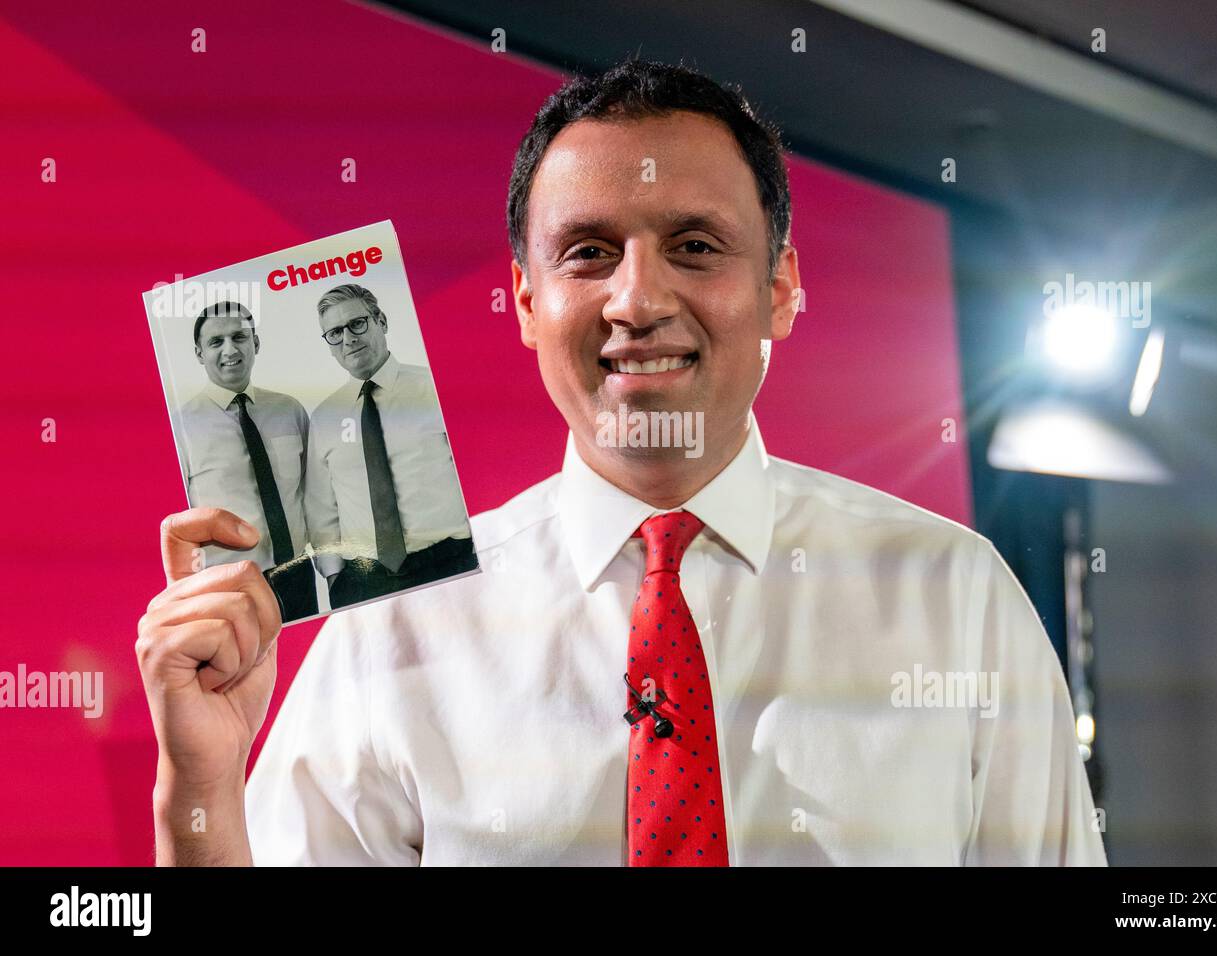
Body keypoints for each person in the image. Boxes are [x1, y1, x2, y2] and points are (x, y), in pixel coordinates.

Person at [137, 60, 1107, 866]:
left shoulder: (954, 595)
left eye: (693, 245)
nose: (635, 298)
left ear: (779, 287)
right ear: (524, 300)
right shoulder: (395, 624)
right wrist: (202, 785)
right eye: (589, 252)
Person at [305, 283, 477, 607]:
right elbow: (321, 510)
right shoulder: (324, 418)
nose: (348, 339)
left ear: (381, 321)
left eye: (357, 323)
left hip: (449, 563)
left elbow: (477, 474)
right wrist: (335, 581)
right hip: (365, 582)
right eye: (335, 333)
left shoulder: (435, 387)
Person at [176, 301, 317, 621]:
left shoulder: (289, 410)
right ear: (199, 354)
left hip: (297, 575)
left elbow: (314, 493)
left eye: (239, 337)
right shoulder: (181, 428)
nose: (230, 349)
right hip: (231, 588)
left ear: (255, 343)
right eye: (216, 341)